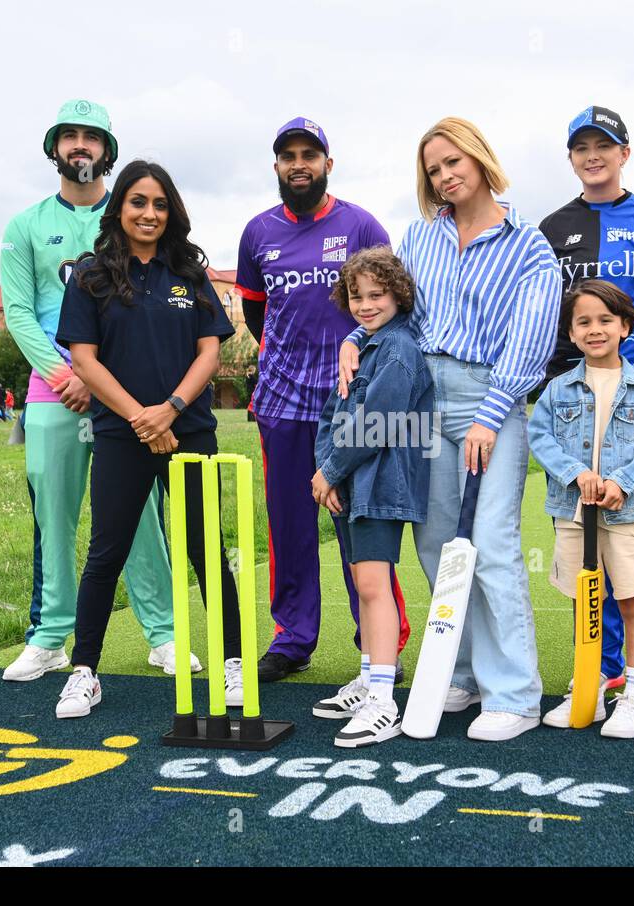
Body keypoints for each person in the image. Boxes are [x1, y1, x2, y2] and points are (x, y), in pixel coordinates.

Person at [339, 117, 562, 741]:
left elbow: (534, 339)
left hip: (490, 397)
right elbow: (393, 304)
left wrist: (491, 415)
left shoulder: (529, 246)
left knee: (488, 545)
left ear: (480, 158)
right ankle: (459, 675)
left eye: (453, 160)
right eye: (433, 168)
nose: (444, 175)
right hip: (422, 396)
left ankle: (514, 693)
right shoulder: (420, 236)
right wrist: (356, 339)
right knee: (436, 546)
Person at [0, 99, 191, 684]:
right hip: (52, 388)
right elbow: (19, 311)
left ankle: (163, 634)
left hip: (125, 393)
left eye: (91, 138)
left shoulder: (136, 210)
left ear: (107, 150)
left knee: (138, 518)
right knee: (53, 518)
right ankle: (50, 637)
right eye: (69, 137)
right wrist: (66, 376)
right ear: (54, 147)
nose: (80, 147)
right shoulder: (25, 225)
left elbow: (157, 304)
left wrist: (101, 379)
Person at [55, 159, 239, 719]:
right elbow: (83, 360)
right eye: (138, 202)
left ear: (171, 211)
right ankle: (85, 671)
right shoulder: (90, 277)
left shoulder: (189, 271)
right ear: (120, 209)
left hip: (189, 431)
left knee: (207, 550)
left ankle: (231, 661)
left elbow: (211, 350)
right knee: (106, 551)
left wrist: (172, 409)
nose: (149, 213)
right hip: (120, 433)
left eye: (160, 204)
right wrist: (142, 417)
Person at [235, 117, 410, 683]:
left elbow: (392, 300)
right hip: (283, 400)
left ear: (328, 163)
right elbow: (259, 314)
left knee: (359, 520)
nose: (299, 164)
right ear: (277, 165)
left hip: (349, 404)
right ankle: (292, 638)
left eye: (310, 154)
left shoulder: (359, 224)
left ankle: (380, 641)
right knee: (289, 524)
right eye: (288, 155)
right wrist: (287, 358)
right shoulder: (258, 232)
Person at [537, 106, 634, 716]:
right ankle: (596, 671)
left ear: (625, 152)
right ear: (571, 157)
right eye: (582, 147)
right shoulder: (552, 225)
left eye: (605, 145)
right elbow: (547, 309)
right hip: (573, 395)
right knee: (584, 537)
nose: (593, 155)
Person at [528, 280, 634, 738]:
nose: (595, 329)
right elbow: (541, 437)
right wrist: (575, 473)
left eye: (605, 320)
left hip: (626, 514)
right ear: (570, 333)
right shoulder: (558, 389)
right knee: (585, 601)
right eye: (583, 322)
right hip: (573, 513)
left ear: (625, 327)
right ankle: (587, 690)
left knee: (631, 601)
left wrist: (621, 483)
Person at [312, 247, 433, 746]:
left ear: (398, 296)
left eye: (377, 295)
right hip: (350, 483)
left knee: (375, 586)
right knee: (363, 583)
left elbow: (376, 425)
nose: (366, 305)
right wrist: (327, 471)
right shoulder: (364, 346)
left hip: (381, 483)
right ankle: (369, 677)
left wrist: (333, 469)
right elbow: (333, 412)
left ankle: (383, 701)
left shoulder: (400, 351)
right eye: (357, 296)